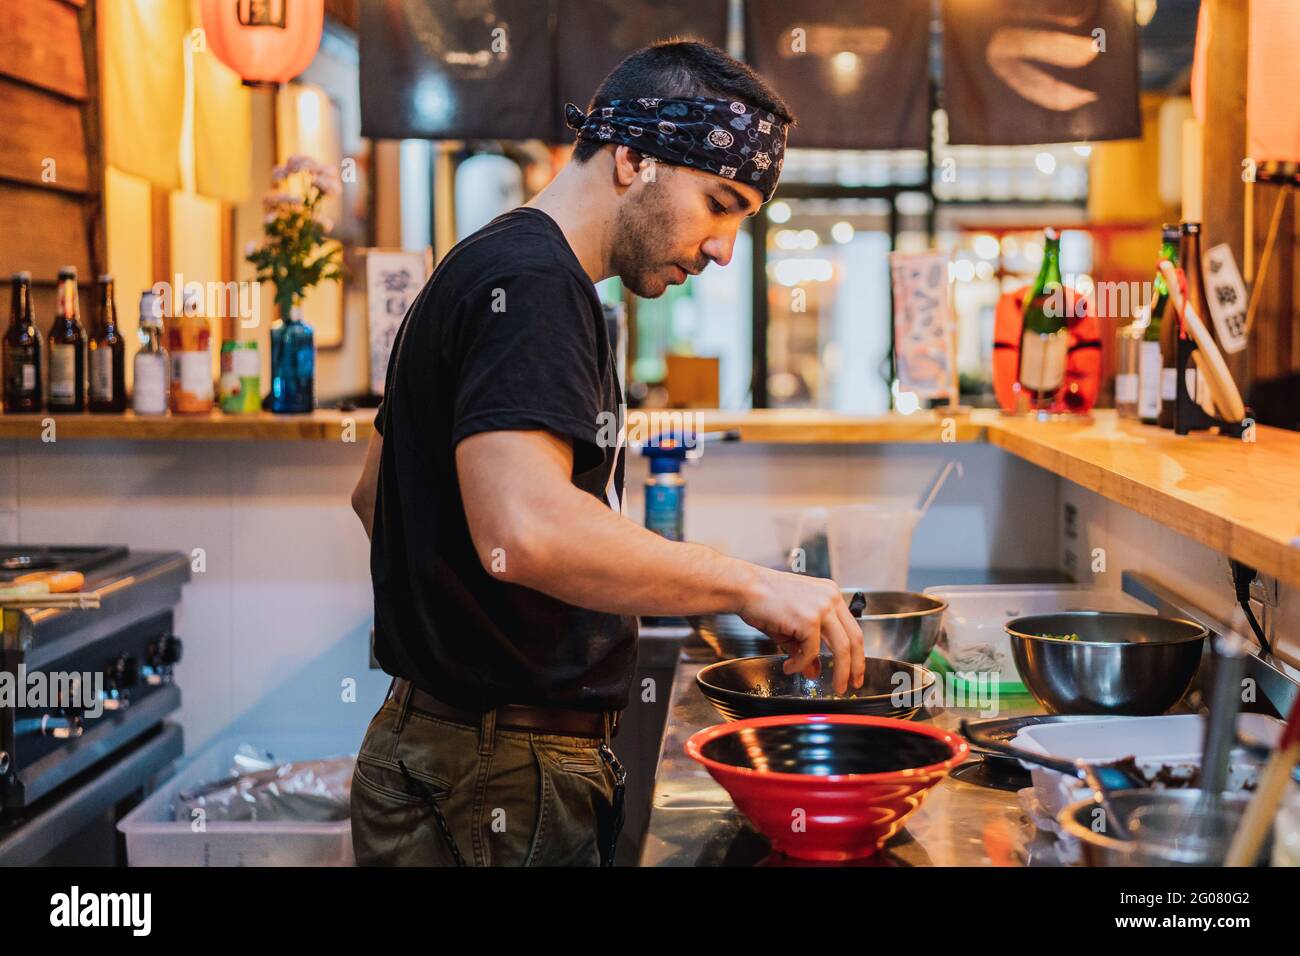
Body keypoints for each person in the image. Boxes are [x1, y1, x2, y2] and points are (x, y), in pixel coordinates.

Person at [349, 39, 864, 867]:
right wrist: (748, 582)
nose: (725, 248)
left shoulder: (480, 264)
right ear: (632, 158)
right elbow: (527, 532)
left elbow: (376, 497)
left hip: (447, 750)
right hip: (498, 772)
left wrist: (471, 634)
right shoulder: (538, 288)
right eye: (719, 202)